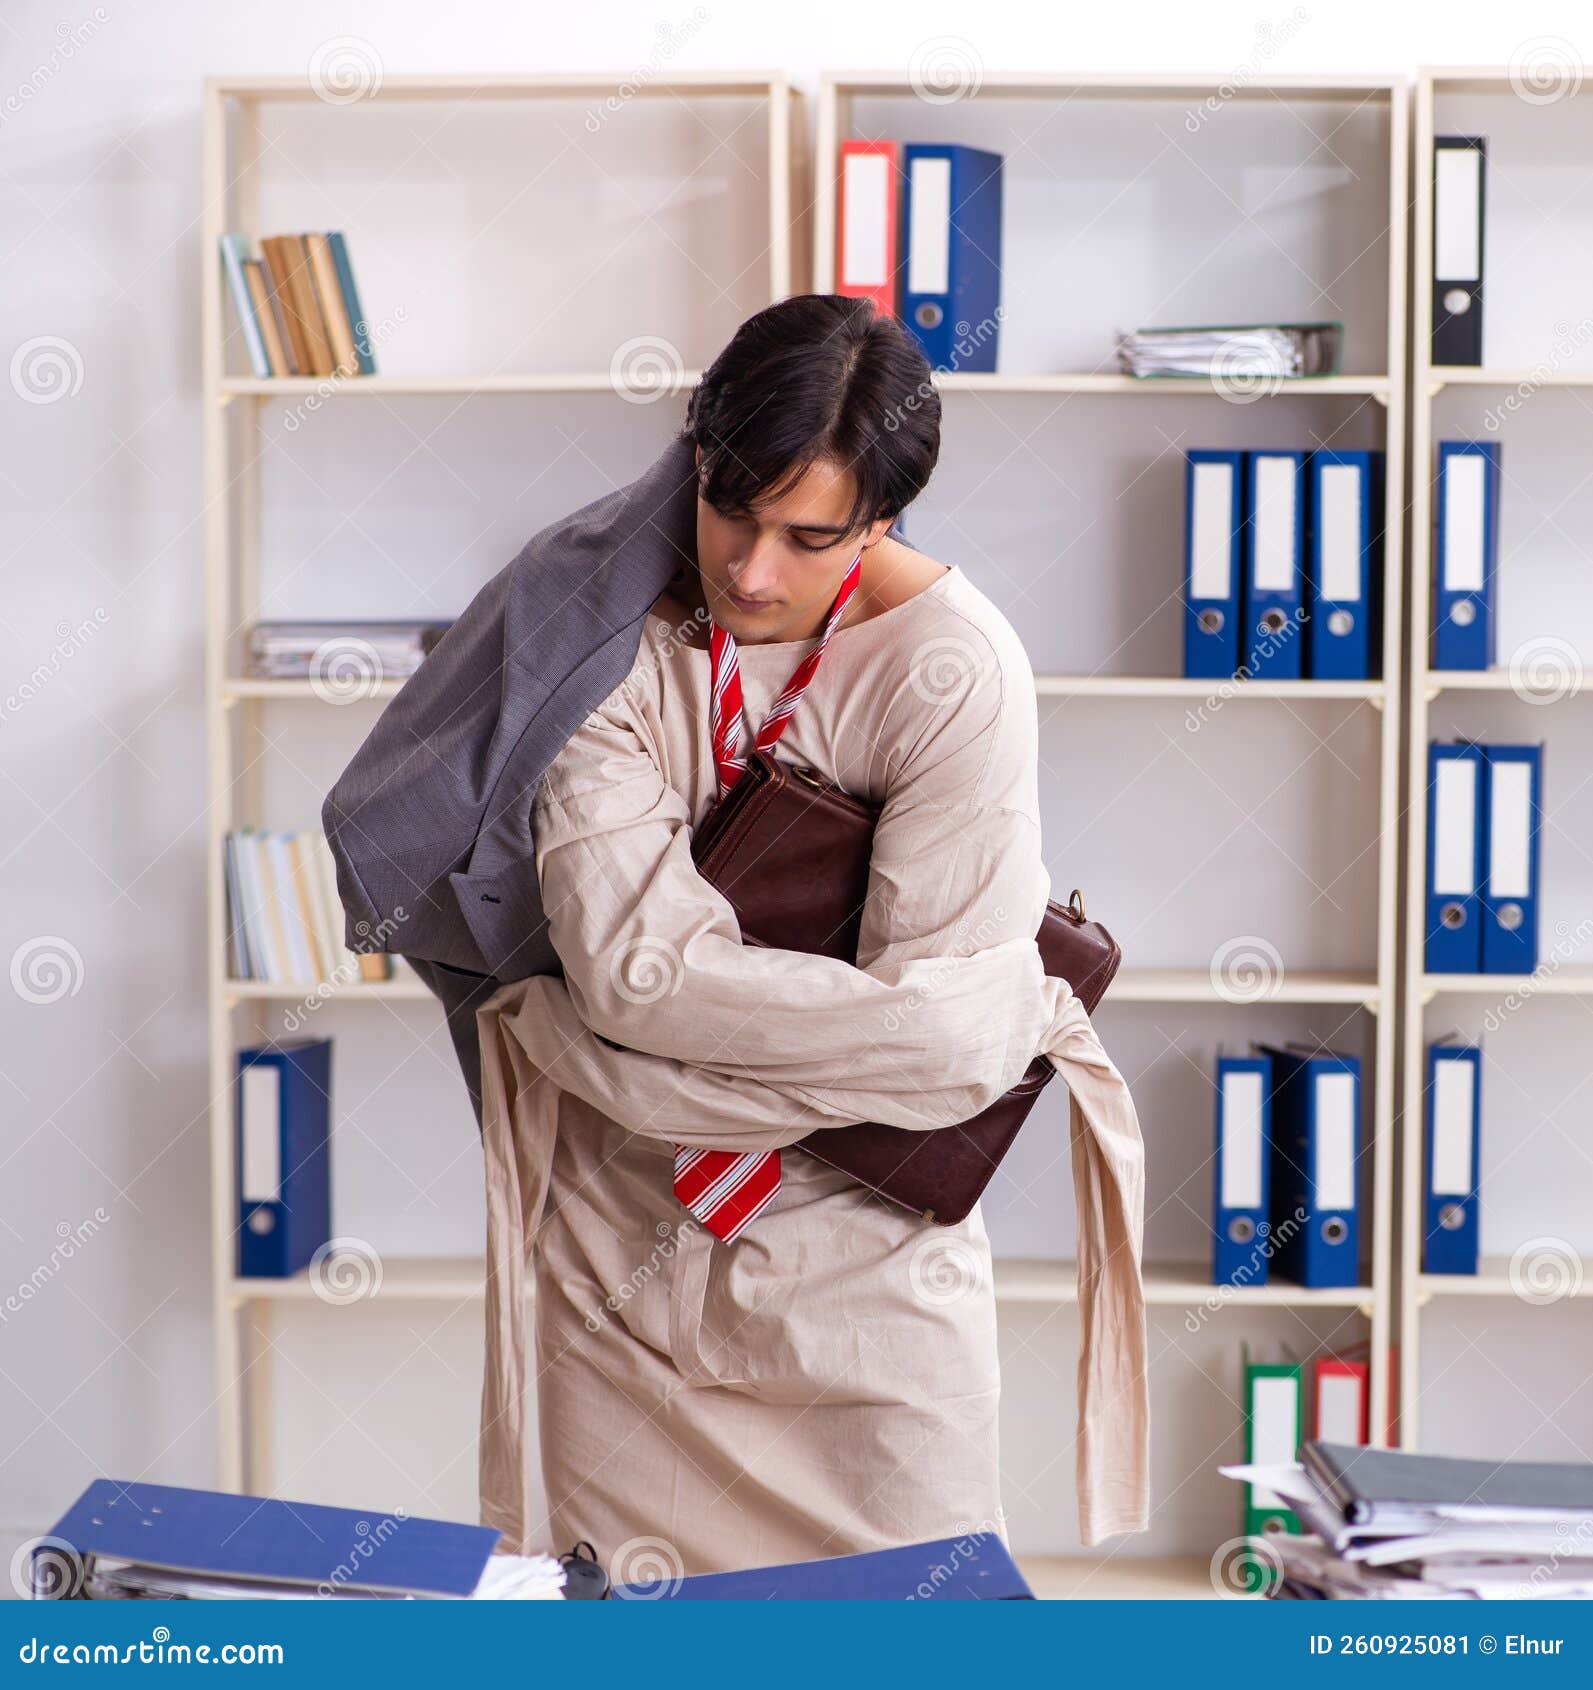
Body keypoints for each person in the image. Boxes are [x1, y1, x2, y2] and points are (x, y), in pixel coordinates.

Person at [472, 293, 1148, 1579]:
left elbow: (948, 1064)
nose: (751, 570)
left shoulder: (958, 669)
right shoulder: (605, 629)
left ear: (885, 519)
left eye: (810, 534)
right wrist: (894, 1023)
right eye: (731, 508)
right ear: (695, 459)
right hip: (619, 1268)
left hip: (871, 1283)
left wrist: (621, 1035)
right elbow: (633, 971)